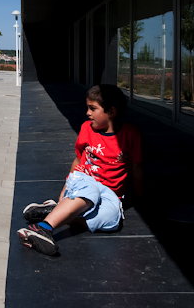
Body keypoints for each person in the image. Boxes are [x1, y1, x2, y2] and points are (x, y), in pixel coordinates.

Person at [17, 83, 143, 256]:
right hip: (84, 181)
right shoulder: (86, 129)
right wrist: (65, 189)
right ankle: (43, 228)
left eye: (93, 108)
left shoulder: (130, 135)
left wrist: (139, 195)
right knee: (90, 192)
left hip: (109, 192)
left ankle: (57, 211)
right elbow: (78, 160)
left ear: (111, 112)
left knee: (111, 220)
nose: (87, 113)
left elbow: (136, 167)